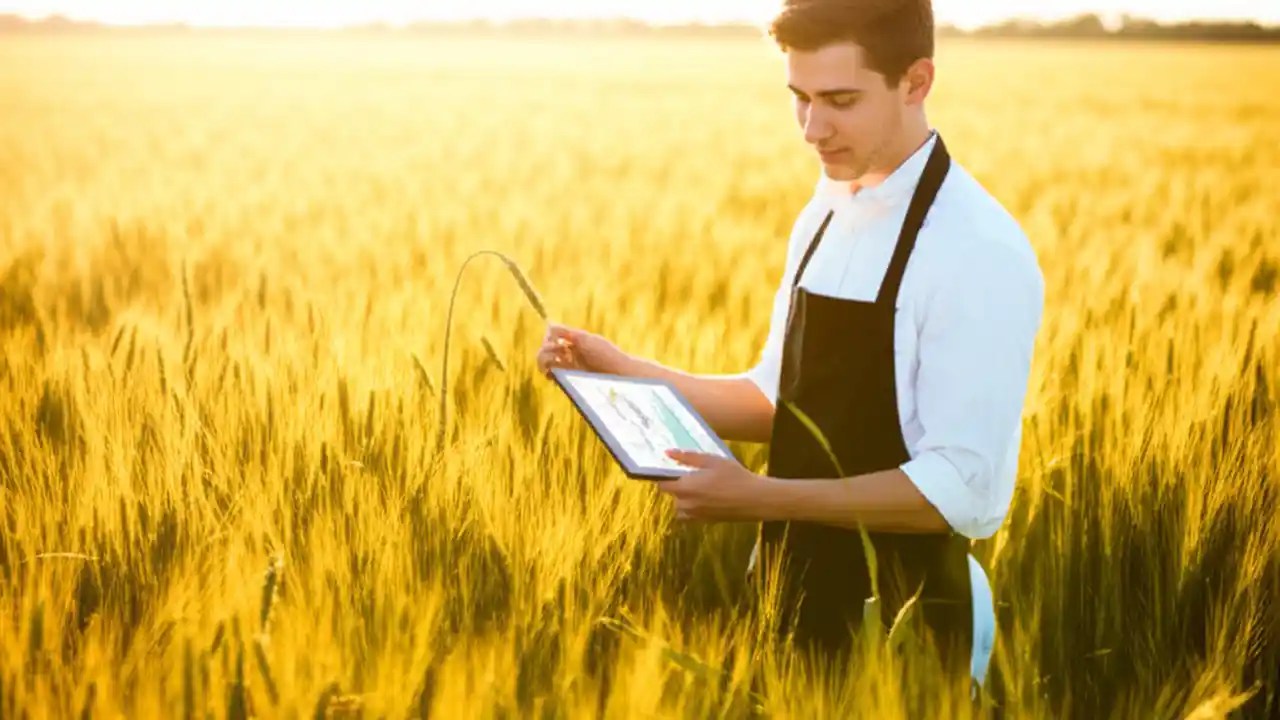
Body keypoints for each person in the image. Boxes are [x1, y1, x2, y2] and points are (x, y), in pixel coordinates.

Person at [535, 0, 1043, 687]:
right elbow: (782, 400)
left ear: (916, 82)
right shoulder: (824, 215)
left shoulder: (974, 249)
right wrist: (624, 374)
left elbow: (957, 492)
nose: (812, 128)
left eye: (840, 100)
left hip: (907, 633)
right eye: (799, 99)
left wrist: (758, 497)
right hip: (789, 598)